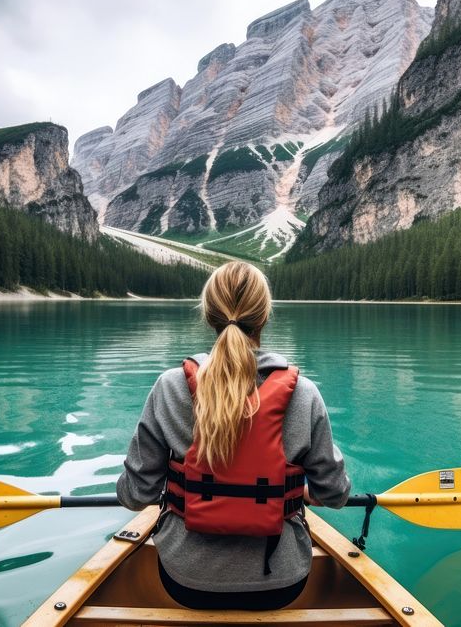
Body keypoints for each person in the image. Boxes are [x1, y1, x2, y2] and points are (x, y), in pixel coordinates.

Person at [116, 261, 351, 610]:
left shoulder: (169, 387)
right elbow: (335, 494)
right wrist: (300, 492)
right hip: (281, 582)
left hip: (186, 580)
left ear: (209, 316)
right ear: (265, 316)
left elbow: (135, 496)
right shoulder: (304, 393)